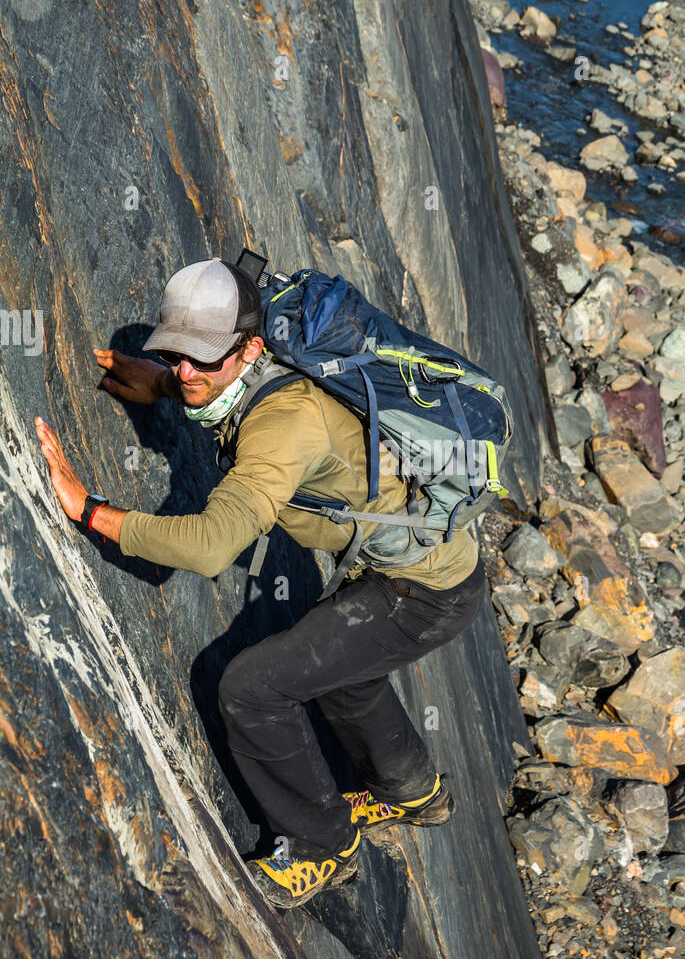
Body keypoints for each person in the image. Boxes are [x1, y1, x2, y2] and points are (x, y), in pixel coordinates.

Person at [35, 258, 487, 910]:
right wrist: (164, 384)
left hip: (421, 594)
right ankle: (412, 793)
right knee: (346, 678)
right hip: (420, 566)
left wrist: (89, 510)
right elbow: (214, 385)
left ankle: (324, 845)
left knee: (251, 688)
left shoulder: (281, 425)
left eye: (200, 359)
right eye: (175, 354)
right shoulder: (266, 346)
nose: (186, 369)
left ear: (248, 346)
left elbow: (212, 547)